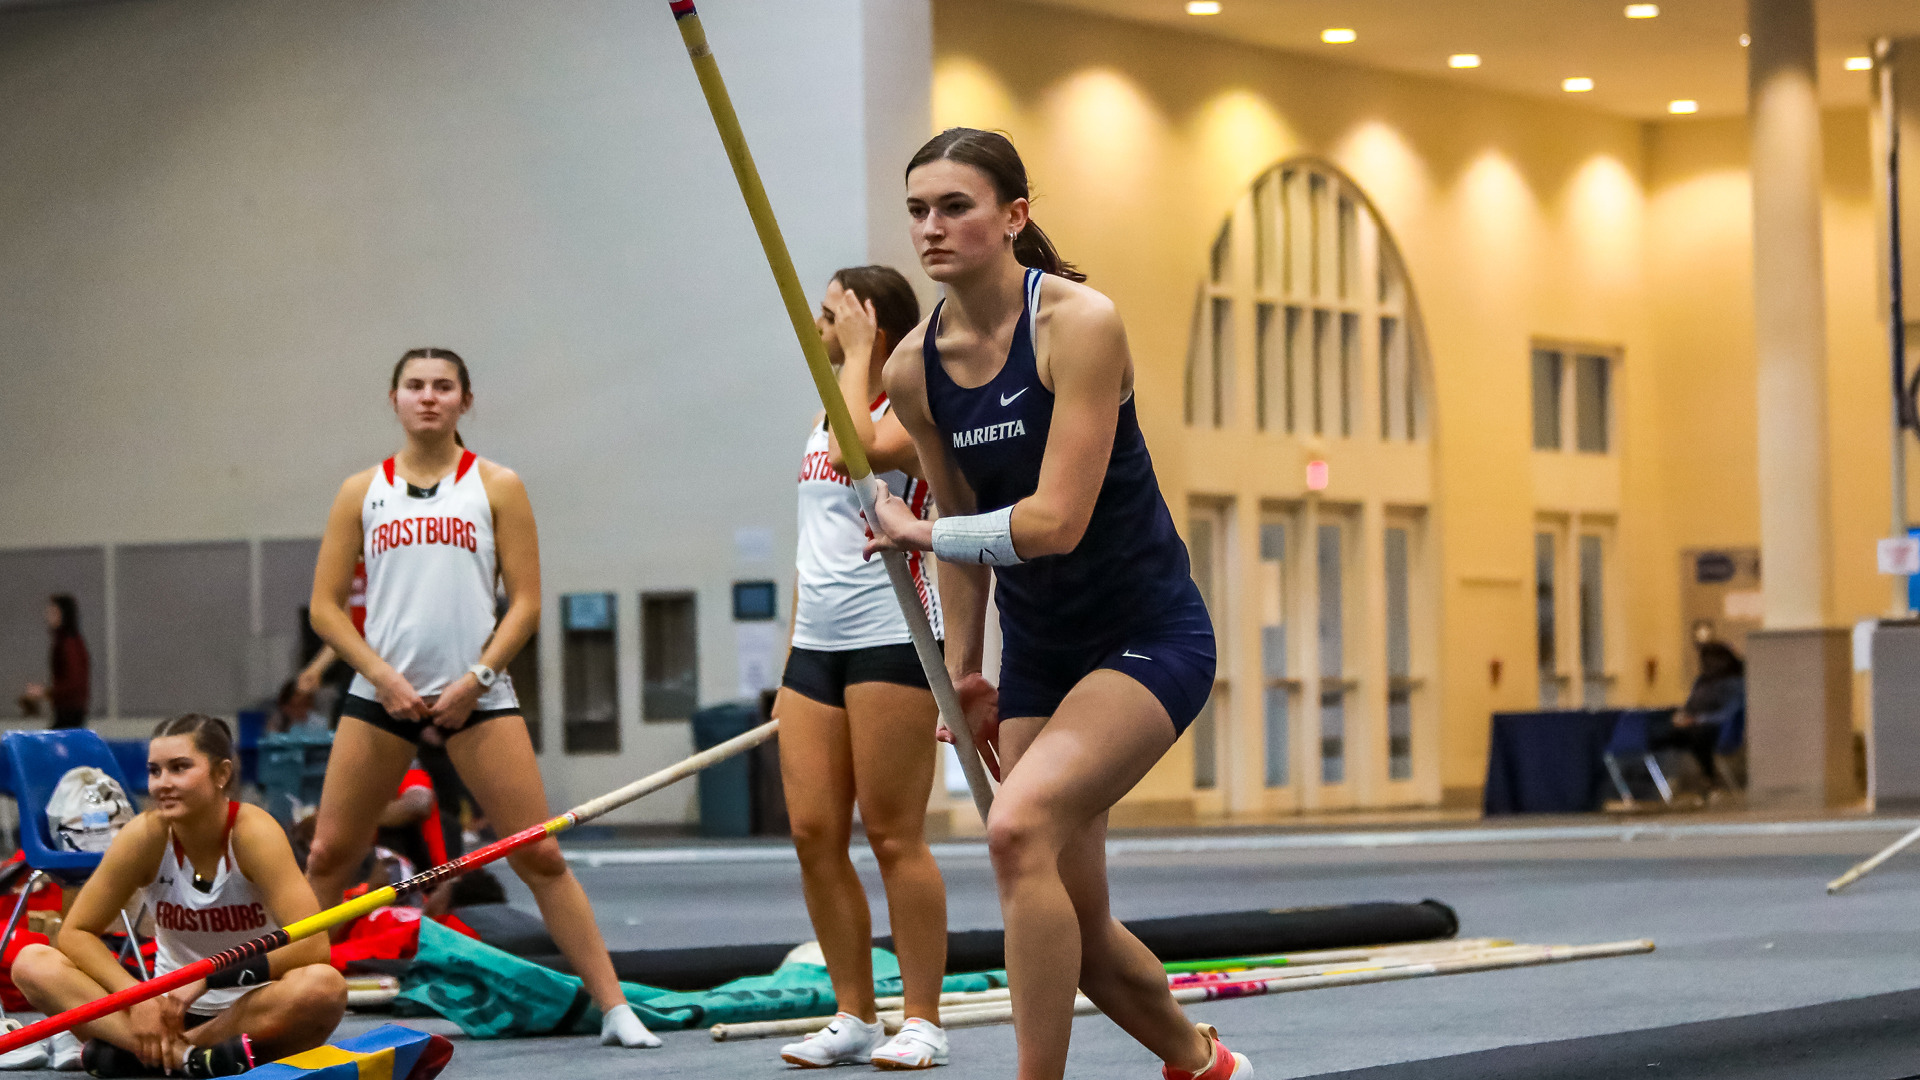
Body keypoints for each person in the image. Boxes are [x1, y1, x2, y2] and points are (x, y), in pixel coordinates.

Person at [865, 129, 1250, 1080]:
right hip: (1039, 652)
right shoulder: (913, 369)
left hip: (1147, 635)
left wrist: (919, 537)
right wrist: (964, 668)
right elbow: (962, 530)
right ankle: (1204, 1064)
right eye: (918, 210)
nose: (932, 228)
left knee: (1015, 831)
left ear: (1014, 216)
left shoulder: (1078, 324)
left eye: (956, 206)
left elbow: (1053, 523)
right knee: (1072, 917)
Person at [302, 347, 657, 1050]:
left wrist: (476, 679)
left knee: (540, 856)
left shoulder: (496, 485)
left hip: (479, 696)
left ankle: (615, 1007)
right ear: (395, 400)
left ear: (466, 401)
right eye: (415, 386)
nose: (428, 397)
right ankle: (289, 998)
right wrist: (385, 675)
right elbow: (324, 609)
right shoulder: (360, 491)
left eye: (443, 387)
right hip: (382, 695)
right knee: (326, 857)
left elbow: (525, 603)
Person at [772, 266, 952, 1069]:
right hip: (817, 645)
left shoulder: (912, 411)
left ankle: (923, 1019)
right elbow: (810, 549)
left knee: (892, 834)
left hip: (893, 638)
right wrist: (788, 656)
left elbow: (860, 459)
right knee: (814, 833)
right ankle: (853, 1013)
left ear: (871, 324)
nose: (819, 324)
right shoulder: (822, 411)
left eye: (832, 313)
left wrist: (859, 354)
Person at [8, 715, 347, 1077]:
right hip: (163, 1010)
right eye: (155, 771)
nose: (162, 784)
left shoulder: (254, 834)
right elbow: (77, 932)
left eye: (179, 768)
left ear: (222, 775)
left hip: (250, 1009)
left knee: (323, 987)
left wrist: (209, 977)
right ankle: (187, 1059)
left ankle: (156, 1057)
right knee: (32, 963)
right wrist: (135, 996)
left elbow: (312, 945)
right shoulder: (144, 837)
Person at [1658, 641, 1746, 791]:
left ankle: (1709, 778)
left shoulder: (1735, 682)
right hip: (1691, 726)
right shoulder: (1701, 681)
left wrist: (1698, 720)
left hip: (1719, 730)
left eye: (1713, 658)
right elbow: (1689, 705)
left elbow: (1728, 713)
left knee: (1698, 734)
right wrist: (1681, 717)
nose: (1708, 663)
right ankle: (1659, 780)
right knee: (1661, 731)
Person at [21, 595, 89, 729]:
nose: (47, 616)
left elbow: (74, 682)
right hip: (67, 711)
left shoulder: (69, 644)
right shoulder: (66, 642)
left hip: (70, 712)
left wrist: (44, 692)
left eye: (53, 612)